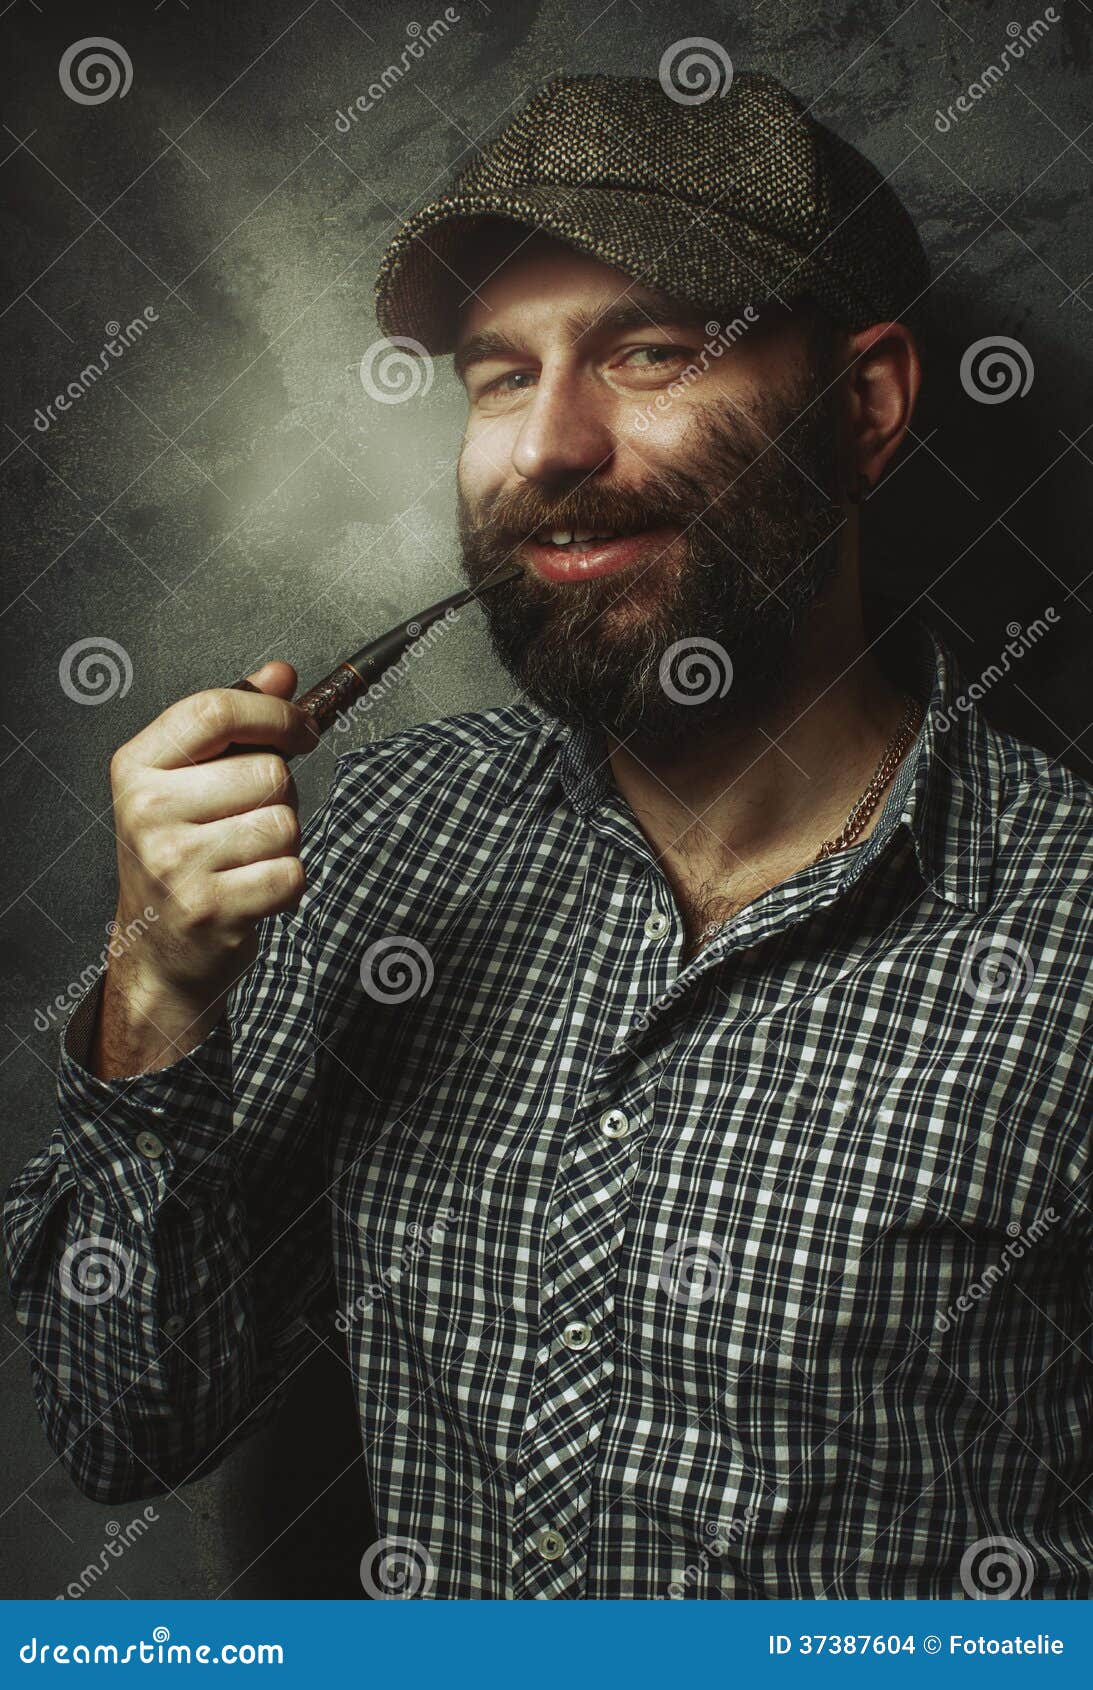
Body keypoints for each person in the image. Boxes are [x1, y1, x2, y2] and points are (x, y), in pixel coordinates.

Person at [5, 72, 1092, 1600]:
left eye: (650, 351)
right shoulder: (378, 842)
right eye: (497, 376)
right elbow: (125, 1425)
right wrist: (159, 997)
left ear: (863, 408)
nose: (548, 446)